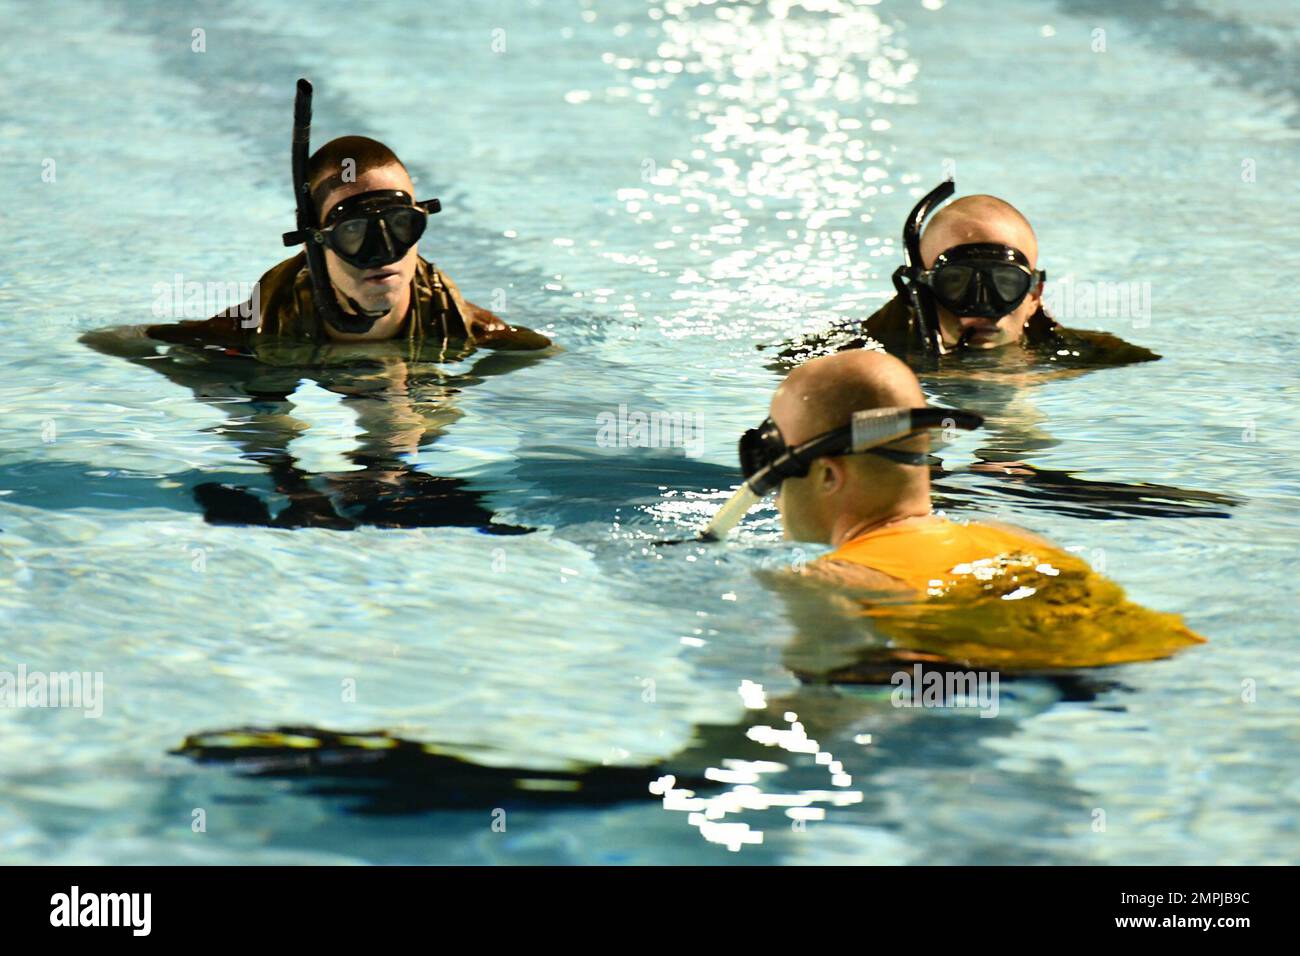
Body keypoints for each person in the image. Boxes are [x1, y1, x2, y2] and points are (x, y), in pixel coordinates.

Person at [733, 349, 1205, 677]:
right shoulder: (1015, 536)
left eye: (773, 461)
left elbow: (822, 710)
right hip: (1165, 660)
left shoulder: (831, 580)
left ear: (828, 476)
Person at [773, 180, 1157, 368]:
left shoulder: (1089, 359)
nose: (983, 309)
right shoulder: (853, 357)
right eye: (957, 285)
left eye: (1004, 285)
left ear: (1035, 293)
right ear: (919, 292)